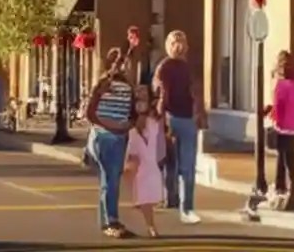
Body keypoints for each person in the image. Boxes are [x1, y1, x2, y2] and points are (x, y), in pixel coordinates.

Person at [153, 29, 206, 225]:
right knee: (174, 163)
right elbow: (161, 94)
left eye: (181, 42)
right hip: (172, 118)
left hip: (184, 119)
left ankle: (184, 205)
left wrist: (199, 113)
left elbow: (195, 92)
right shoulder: (166, 67)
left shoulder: (184, 67)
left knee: (183, 164)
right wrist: (162, 116)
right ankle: (176, 200)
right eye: (175, 43)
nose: (179, 46)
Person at [85, 47, 133, 239]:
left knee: (111, 180)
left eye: (123, 61)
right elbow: (90, 113)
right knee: (110, 180)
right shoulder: (103, 84)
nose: (120, 64)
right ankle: (110, 222)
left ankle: (107, 219)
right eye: (116, 60)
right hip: (103, 137)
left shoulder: (129, 86)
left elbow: (132, 112)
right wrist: (111, 126)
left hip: (120, 137)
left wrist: (130, 124)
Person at [125, 85, 166, 238]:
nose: (140, 94)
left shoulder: (155, 117)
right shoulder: (132, 116)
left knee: (152, 192)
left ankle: (145, 209)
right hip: (137, 150)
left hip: (152, 157)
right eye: (138, 91)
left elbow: (161, 135)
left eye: (144, 91)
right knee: (142, 188)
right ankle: (151, 225)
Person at [269, 50, 294, 210]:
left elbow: (278, 106)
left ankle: (285, 185)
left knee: (283, 157)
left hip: (282, 126)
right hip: (293, 125)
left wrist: (274, 119)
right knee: (288, 155)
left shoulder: (281, 84)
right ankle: (286, 184)